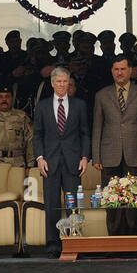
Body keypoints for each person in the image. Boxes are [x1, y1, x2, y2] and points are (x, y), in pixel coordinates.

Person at [91, 54, 137, 235]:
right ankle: (114, 242)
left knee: (135, 200)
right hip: (109, 155)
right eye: (116, 69)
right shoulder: (101, 95)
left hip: (136, 154)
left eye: (123, 69)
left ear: (131, 71)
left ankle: (135, 242)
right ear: (112, 71)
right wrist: (96, 156)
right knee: (111, 200)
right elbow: (97, 128)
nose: (119, 73)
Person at [33, 66, 91, 258]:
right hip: (49, 162)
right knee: (51, 204)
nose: (62, 85)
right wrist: (39, 158)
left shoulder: (79, 105)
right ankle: (52, 245)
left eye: (65, 81)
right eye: (58, 81)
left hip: (73, 161)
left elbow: (85, 134)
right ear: (52, 83)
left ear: (69, 83)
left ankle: (75, 240)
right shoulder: (42, 106)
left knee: (73, 203)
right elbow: (38, 135)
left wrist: (85, 157)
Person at [0, 84, 35, 168]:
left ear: (12, 98)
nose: (4, 99)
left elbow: (30, 141)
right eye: (0, 97)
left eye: (7, 96)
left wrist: (30, 165)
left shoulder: (22, 116)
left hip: (17, 162)